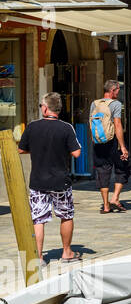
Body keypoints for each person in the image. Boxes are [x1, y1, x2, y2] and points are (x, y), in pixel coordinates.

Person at [17, 92, 81, 263]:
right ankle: (66, 253)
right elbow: (77, 153)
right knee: (66, 215)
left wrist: (38, 150)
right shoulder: (66, 128)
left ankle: (38, 257)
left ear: (45, 108)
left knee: (38, 218)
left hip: (38, 181)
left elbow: (21, 149)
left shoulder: (32, 127)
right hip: (60, 181)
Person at [90, 79, 131, 212]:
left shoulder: (94, 104)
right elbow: (117, 124)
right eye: (118, 90)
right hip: (113, 142)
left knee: (102, 171)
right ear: (112, 91)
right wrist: (122, 146)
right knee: (123, 166)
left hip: (98, 143)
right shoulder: (116, 104)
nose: (119, 92)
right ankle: (115, 198)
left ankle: (106, 206)